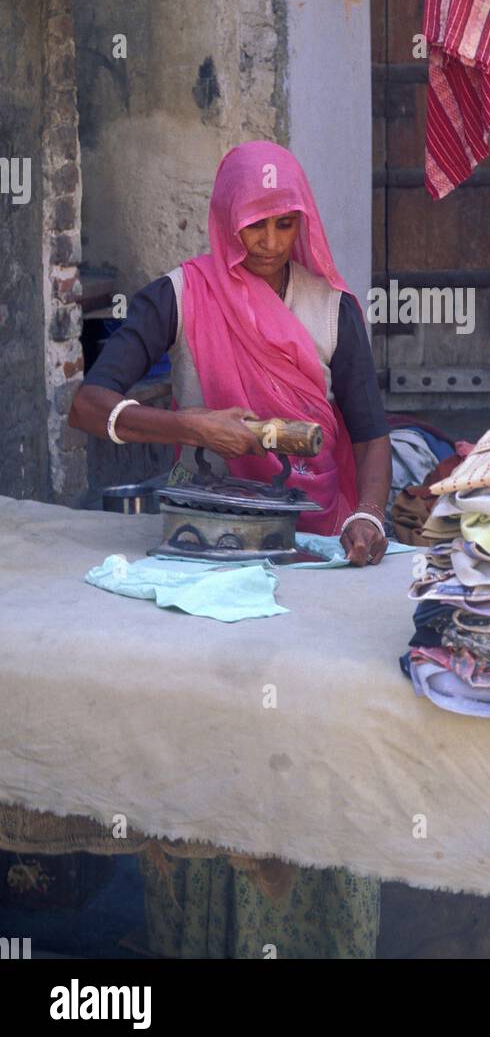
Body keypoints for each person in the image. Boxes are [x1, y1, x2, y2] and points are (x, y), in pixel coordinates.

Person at [69, 139, 392, 957]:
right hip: (205, 555)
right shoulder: (182, 295)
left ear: (303, 221)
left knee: (311, 736)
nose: (271, 244)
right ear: (226, 221)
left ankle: (315, 926)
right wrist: (192, 426)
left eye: (286, 225)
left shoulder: (331, 309)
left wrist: (370, 517)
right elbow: (89, 404)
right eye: (254, 226)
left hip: (312, 548)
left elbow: (371, 431)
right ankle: (200, 926)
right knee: (204, 726)